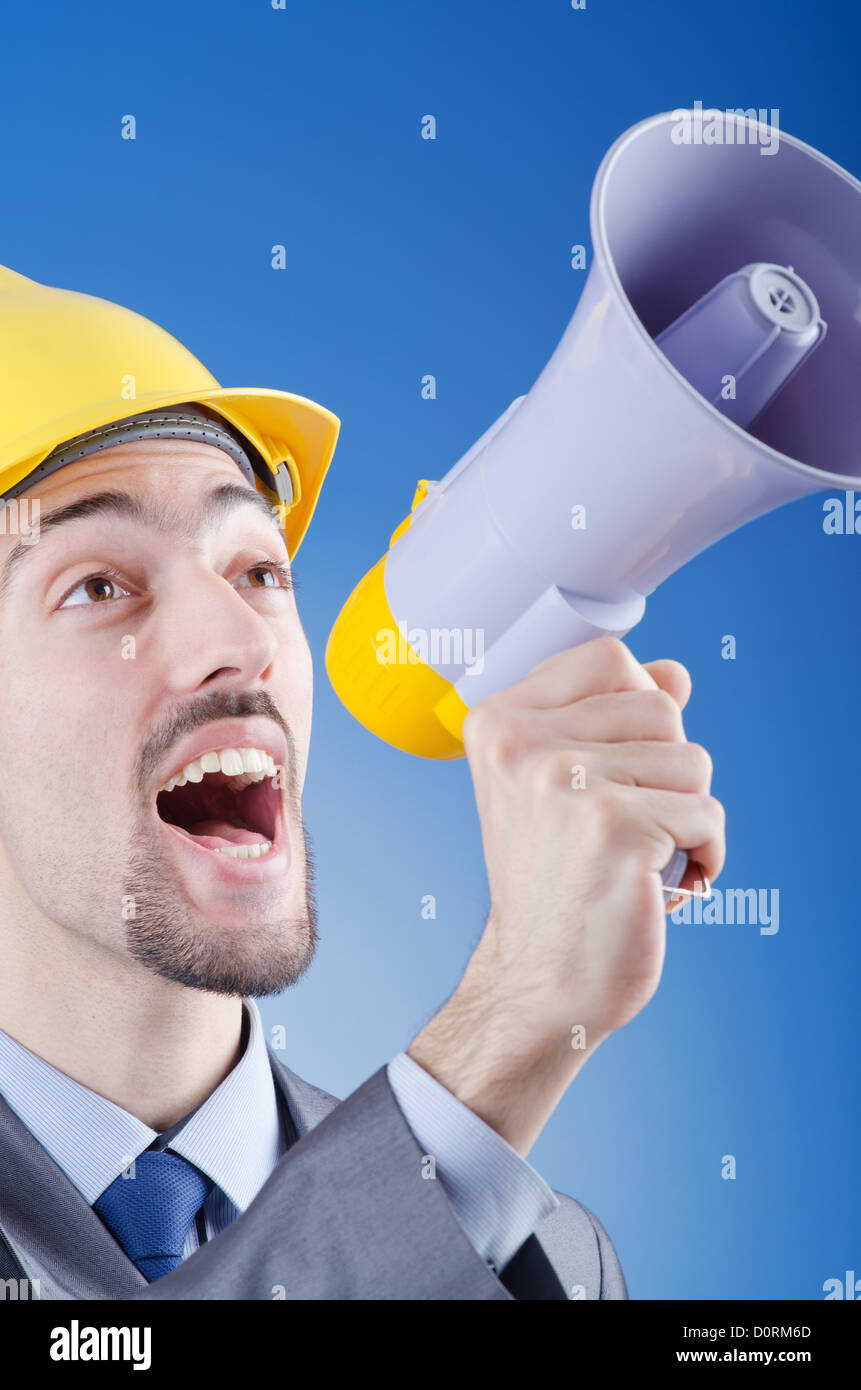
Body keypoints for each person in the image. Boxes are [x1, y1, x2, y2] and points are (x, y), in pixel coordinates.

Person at [0, 266, 724, 1300]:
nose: (238, 637)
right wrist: (508, 1033)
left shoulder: (544, 1262)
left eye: (257, 569)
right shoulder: (465, 1160)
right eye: (102, 585)